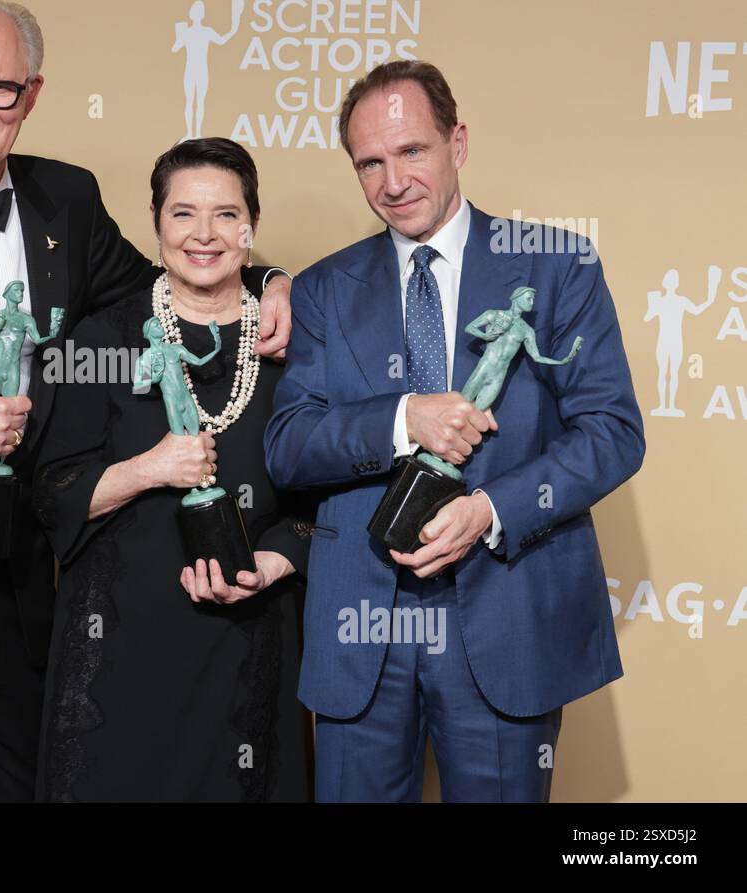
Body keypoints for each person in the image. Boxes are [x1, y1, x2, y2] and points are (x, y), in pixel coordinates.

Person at [0, 0, 293, 802]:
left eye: (2, 88)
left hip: (34, 585)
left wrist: (271, 279)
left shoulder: (67, 197)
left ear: (31, 95)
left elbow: (174, 278)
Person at [265, 60, 645, 802]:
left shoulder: (558, 266)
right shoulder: (318, 289)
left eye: (413, 151)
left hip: (507, 611)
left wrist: (491, 510)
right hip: (360, 627)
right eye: (369, 162)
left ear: (457, 143)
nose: (393, 181)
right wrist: (404, 417)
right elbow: (288, 447)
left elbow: (612, 430)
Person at [32, 138, 312, 801]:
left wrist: (275, 561)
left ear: (252, 224)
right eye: (183, 213)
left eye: (226, 214)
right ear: (156, 221)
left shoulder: (293, 343)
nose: (204, 234)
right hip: (121, 648)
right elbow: (51, 492)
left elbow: (327, 503)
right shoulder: (101, 338)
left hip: (248, 640)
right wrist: (148, 468)